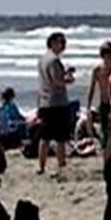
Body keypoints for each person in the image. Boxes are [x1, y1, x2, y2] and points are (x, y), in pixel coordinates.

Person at [36, 31, 76, 176]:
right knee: (60, 137)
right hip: (56, 103)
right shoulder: (53, 60)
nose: (63, 46)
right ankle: (61, 165)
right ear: (53, 43)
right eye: (61, 42)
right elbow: (57, 81)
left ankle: (41, 166)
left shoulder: (42, 59)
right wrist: (69, 79)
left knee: (44, 137)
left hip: (44, 101)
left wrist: (64, 73)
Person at [88, 41, 111, 151]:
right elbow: (92, 87)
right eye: (106, 56)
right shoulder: (98, 70)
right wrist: (89, 105)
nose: (108, 58)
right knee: (104, 128)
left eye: (110, 55)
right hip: (104, 102)